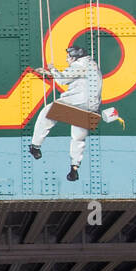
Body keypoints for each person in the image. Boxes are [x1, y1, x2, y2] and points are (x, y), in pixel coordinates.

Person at [29, 43, 104, 181]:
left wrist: (52, 69)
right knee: (78, 138)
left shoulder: (80, 65)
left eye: (68, 56)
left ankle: (35, 145)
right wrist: (49, 73)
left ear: (76, 56)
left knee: (47, 113)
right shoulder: (93, 65)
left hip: (77, 104)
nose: (67, 59)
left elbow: (63, 80)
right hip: (92, 110)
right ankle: (74, 168)